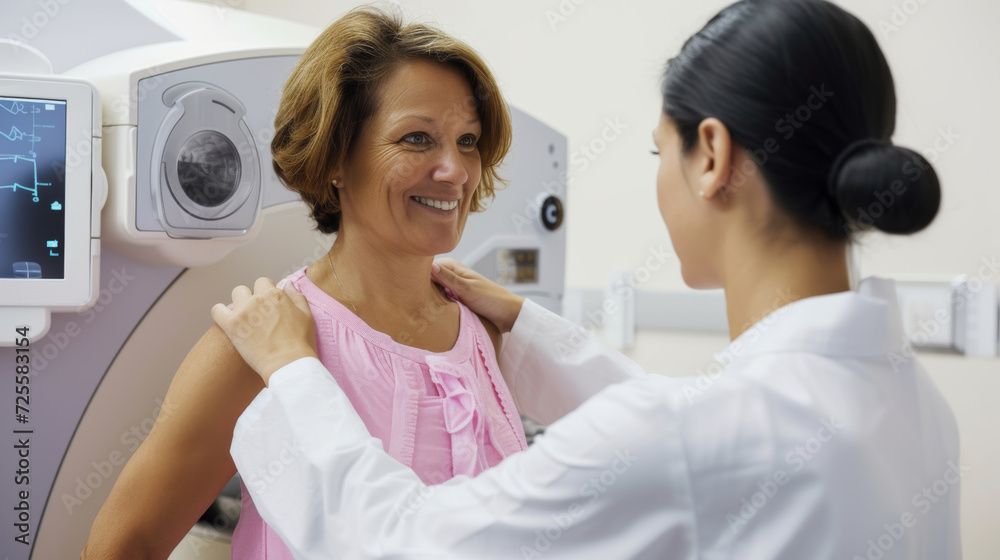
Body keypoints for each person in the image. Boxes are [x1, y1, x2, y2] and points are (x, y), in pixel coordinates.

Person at [217, 0, 962, 558]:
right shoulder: (914, 405)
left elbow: (403, 544)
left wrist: (293, 374)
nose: (455, 168)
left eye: (655, 154)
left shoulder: (694, 436)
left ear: (710, 155)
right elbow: (690, 426)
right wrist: (534, 331)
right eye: (418, 138)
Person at [81, 8, 527, 560]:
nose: (455, 170)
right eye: (417, 139)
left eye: (468, 141)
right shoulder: (259, 345)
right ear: (335, 155)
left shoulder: (481, 329)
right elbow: (124, 547)